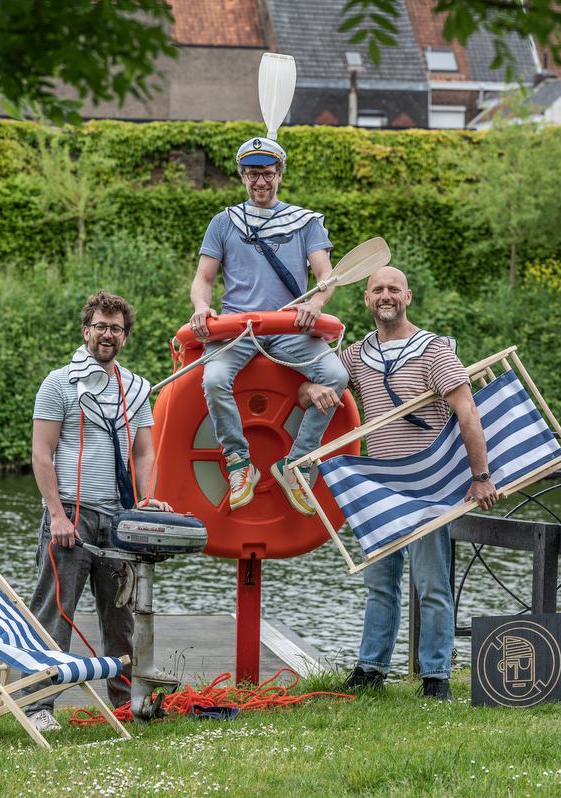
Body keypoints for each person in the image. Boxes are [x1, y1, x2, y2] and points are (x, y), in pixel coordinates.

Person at [298, 267, 499, 701]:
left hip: (427, 484)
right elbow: (306, 391)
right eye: (377, 290)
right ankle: (370, 670)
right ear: (367, 299)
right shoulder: (354, 356)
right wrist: (312, 390)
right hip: (380, 486)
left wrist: (481, 477)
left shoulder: (434, 352)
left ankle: (435, 677)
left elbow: (467, 412)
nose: (385, 296)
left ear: (407, 296)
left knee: (431, 586)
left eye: (393, 289)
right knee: (379, 585)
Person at [24, 291, 172, 733]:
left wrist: (146, 501)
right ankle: (39, 707)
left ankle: (128, 706)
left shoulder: (137, 388)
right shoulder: (58, 384)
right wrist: (56, 516)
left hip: (118, 519)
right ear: (86, 329)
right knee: (55, 613)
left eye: (116, 328)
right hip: (71, 514)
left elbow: (143, 453)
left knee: (120, 618)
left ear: (125, 336)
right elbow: (41, 454)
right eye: (100, 326)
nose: (108, 334)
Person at [188, 136, 348, 516]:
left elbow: (326, 275)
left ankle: (296, 463)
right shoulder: (224, 222)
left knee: (335, 373)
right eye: (253, 174)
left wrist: (316, 301)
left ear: (280, 175)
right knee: (213, 379)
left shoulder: (306, 222)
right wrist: (201, 307)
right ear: (243, 176)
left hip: (290, 329)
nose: (261, 182)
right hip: (238, 329)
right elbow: (204, 279)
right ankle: (239, 463)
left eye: (268, 174)